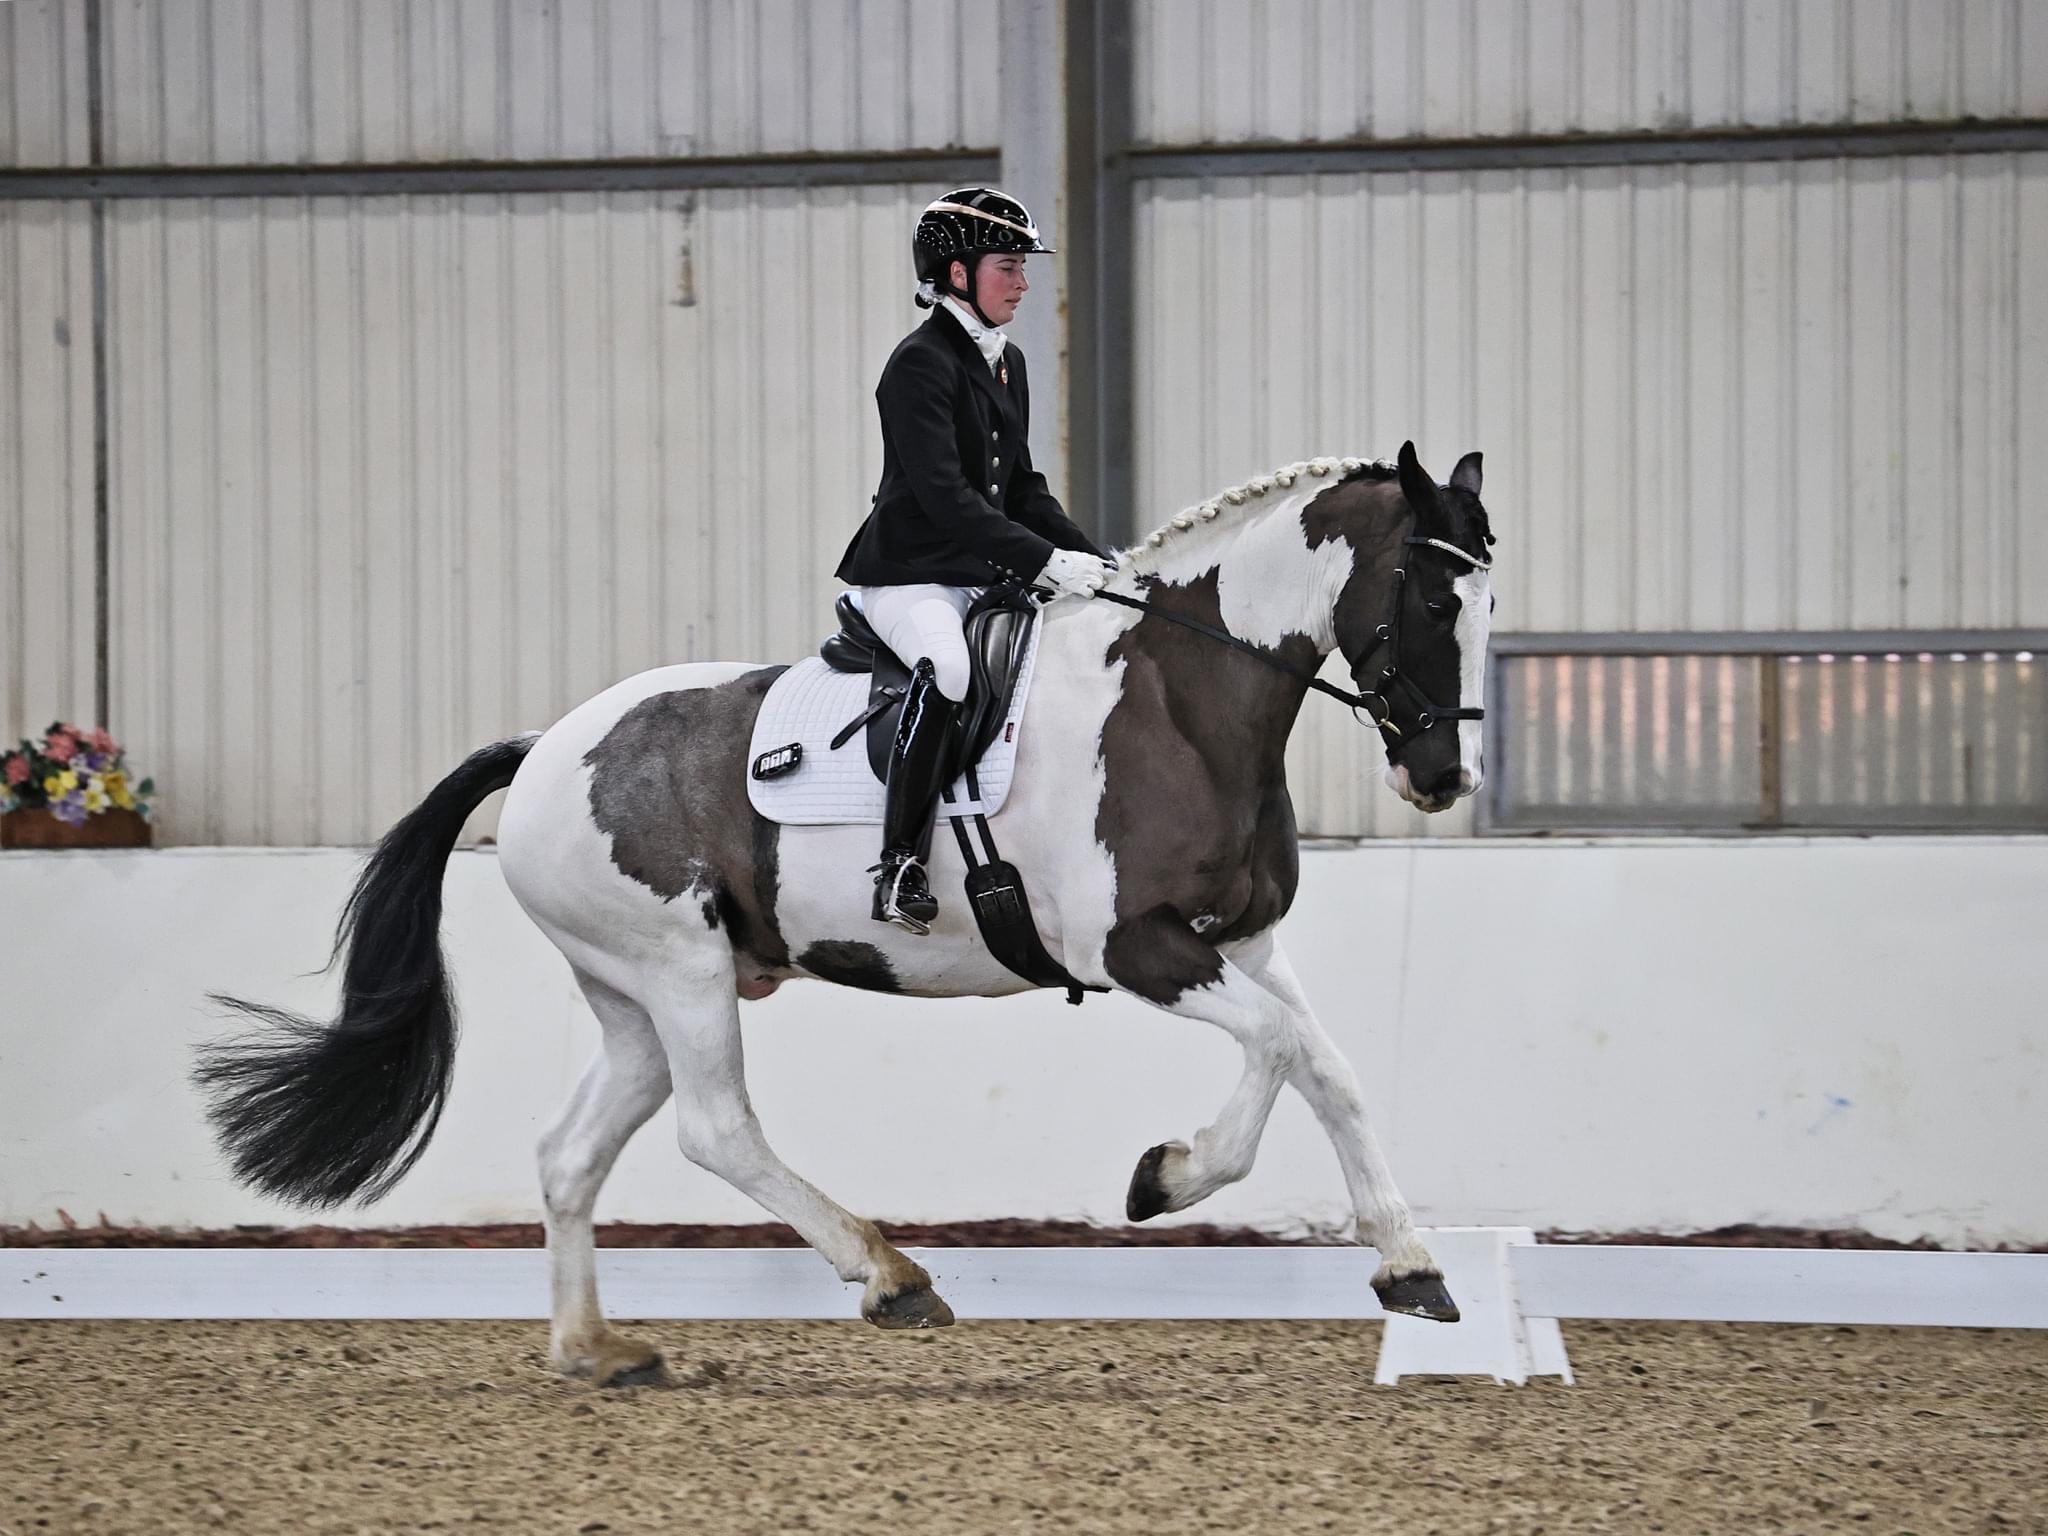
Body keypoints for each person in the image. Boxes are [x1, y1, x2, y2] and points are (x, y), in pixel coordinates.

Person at [834, 187, 1116, 935]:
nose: (1023, 284)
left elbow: (1020, 488)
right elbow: (946, 498)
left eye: (1023, 268)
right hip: (908, 575)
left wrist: (1101, 566)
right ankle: (899, 866)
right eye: (1008, 267)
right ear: (957, 274)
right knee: (950, 670)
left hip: (979, 573)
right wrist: (1043, 562)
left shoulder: (1006, 361)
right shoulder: (917, 365)